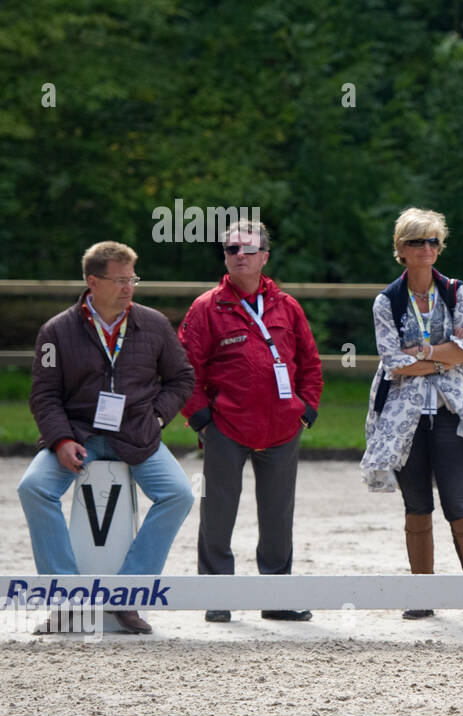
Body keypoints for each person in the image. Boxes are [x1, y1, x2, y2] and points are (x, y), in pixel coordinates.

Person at [18, 241, 196, 634]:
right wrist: (61, 439)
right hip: (78, 431)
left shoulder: (153, 324)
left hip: (138, 432)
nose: (128, 287)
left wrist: (156, 415)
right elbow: (43, 395)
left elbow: (183, 377)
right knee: (32, 488)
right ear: (92, 281)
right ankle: (65, 597)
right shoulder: (56, 331)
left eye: (132, 278)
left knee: (180, 495)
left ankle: (128, 595)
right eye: (119, 280)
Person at [361, 207, 463, 621]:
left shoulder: (456, 292)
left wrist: (421, 354)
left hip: (449, 413)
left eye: (433, 241)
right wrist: (444, 355)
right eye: (416, 242)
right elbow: (392, 362)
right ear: (400, 250)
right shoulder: (387, 300)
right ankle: (421, 593)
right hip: (403, 417)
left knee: (458, 502)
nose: (426, 248)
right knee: (417, 504)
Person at [179, 220, 323, 623]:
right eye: (230, 249)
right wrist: (202, 417)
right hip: (226, 427)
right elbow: (185, 370)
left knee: (277, 513)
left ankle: (276, 597)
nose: (238, 255)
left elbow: (310, 363)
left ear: (265, 257)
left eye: (247, 249)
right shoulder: (207, 307)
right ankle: (217, 595)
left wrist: (305, 408)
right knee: (217, 511)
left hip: (282, 429)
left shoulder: (287, 306)